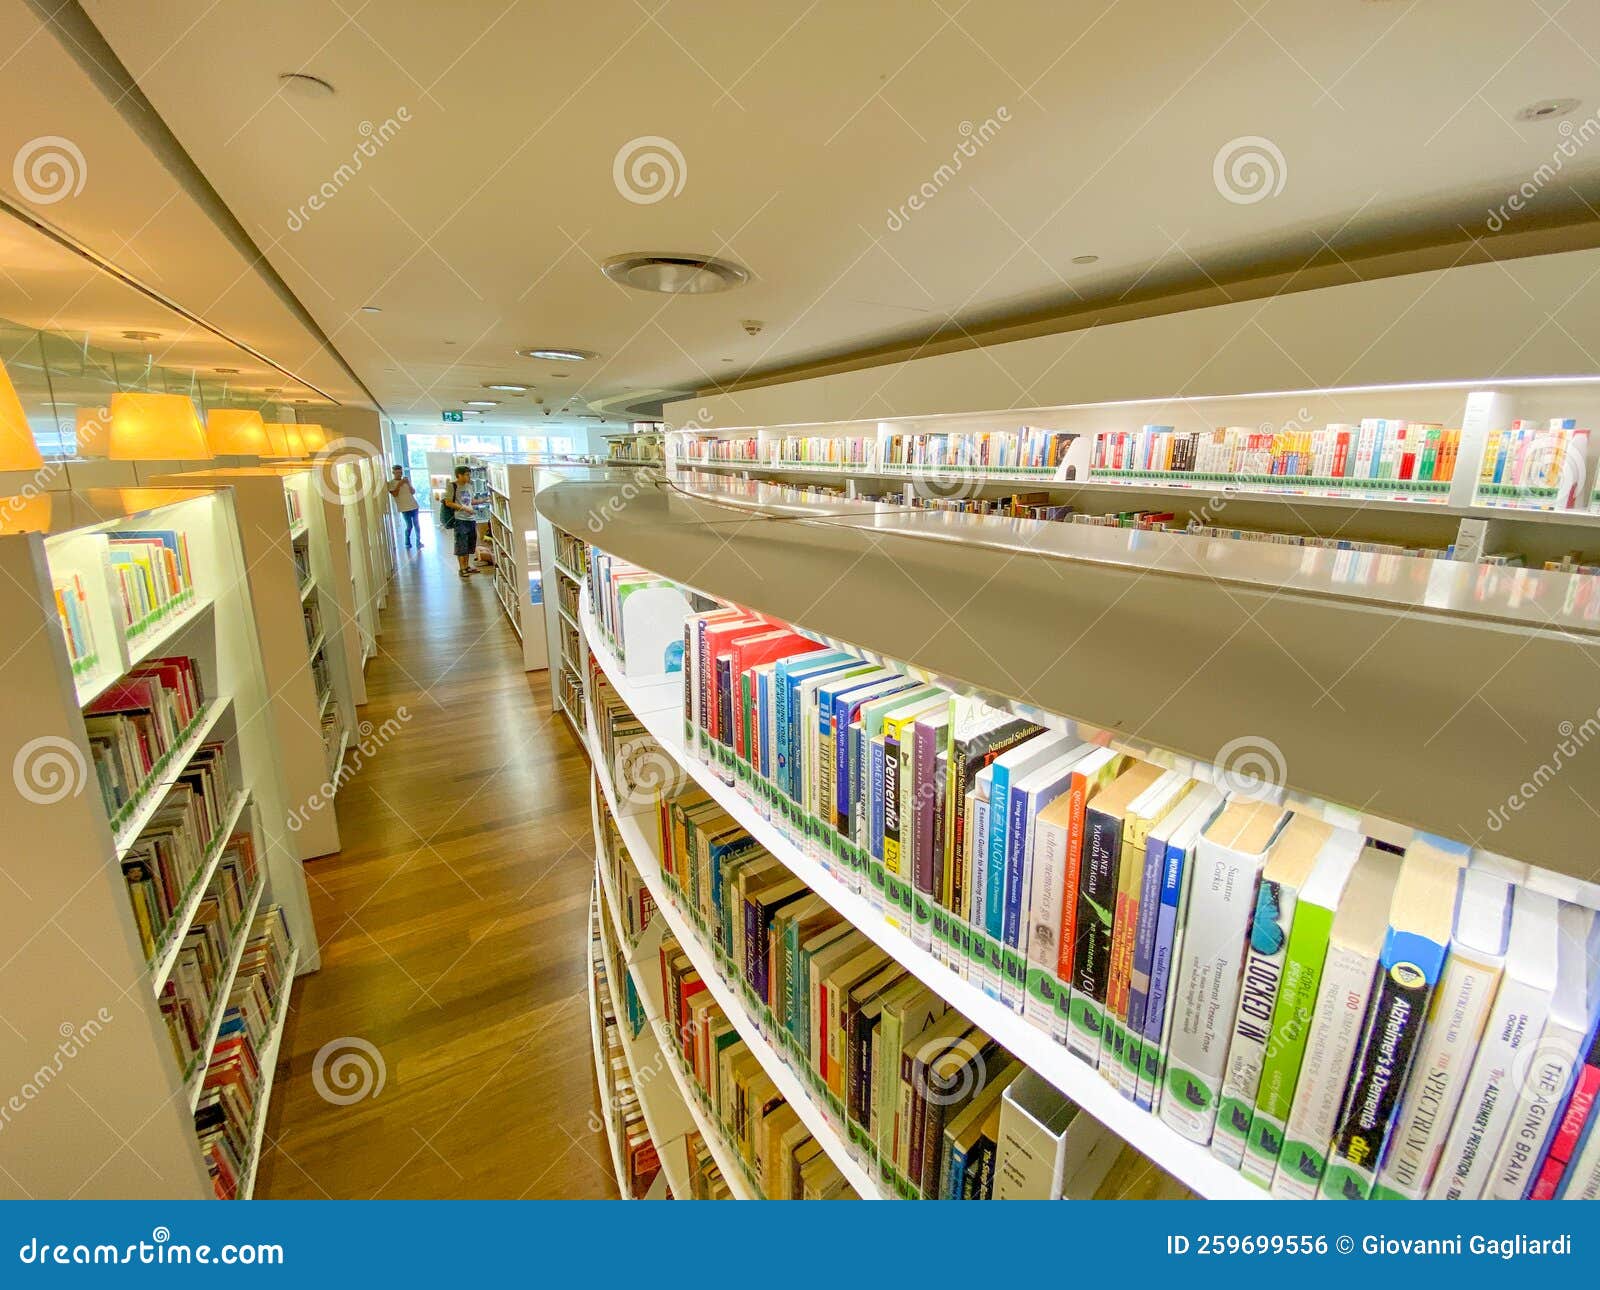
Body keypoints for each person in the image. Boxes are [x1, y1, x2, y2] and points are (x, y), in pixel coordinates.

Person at [445, 465, 478, 579]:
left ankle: (467, 566)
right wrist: (465, 509)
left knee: (469, 543)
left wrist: (483, 501)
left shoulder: (469, 486)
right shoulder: (452, 486)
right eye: (467, 474)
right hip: (460, 519)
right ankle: (462, 568)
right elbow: (448, 502)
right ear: (459, 475)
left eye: (469, 474)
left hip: (471, 519)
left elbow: (470, 501)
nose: (469, 477)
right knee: (461, 544)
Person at [387, 465, 421, 549]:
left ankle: (418, 542)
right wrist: (400, 484)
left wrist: (408, 483)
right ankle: (407, 542)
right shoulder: (391, 483)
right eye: (397, 472)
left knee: (417, 525)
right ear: (393, 472)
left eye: (401, 472)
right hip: (404, 508)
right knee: (409, 526)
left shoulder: (406, 481)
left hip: (414, 506)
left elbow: (413, 492)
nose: (400, 474)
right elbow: (395, 494)